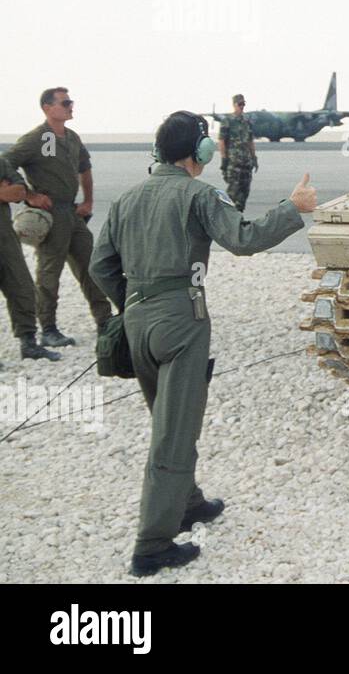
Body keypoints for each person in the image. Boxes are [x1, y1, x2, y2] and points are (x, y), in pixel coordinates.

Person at [89, 111, 315, 577]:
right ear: (201, 152)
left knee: (170, 417)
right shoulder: (198, 194)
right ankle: (152, 545)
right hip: (181, 323)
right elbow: (244, 239)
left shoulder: (128, 198)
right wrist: (294, 208)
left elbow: (100, 265)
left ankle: (187, 502)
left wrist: (132, 304)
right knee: (172, 434)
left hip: (137, 320)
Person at [6, 87, 112, 346]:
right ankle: (48, 329)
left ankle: (106, 323)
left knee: (92, 267)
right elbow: (6, 163)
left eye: (70, 102)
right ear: (47, 107)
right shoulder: (36, 138)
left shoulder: (72, 138)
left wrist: (88, 201)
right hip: (49, 216)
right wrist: (28, 195)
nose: (70, 107)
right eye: (65, 103)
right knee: (49, 274)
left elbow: (85, 168)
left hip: (72, 213)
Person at [0, 156, 60, 364]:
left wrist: (9, 191)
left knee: (21, 286)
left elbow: (19, 190)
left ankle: (28, 343)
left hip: (5, 236)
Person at [218, 93, 258, 212]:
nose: (242, 107)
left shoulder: (247, 121)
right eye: (240, 104)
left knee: (244, 191)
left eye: (243, 104)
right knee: (233, 191)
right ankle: (225, 216)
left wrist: (254, 157)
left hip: (246, 162)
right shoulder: (227, 121)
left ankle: (238, 217)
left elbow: (250, 140)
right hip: (233, 163)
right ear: (234, 105)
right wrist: (224, 160)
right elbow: (221, 141)